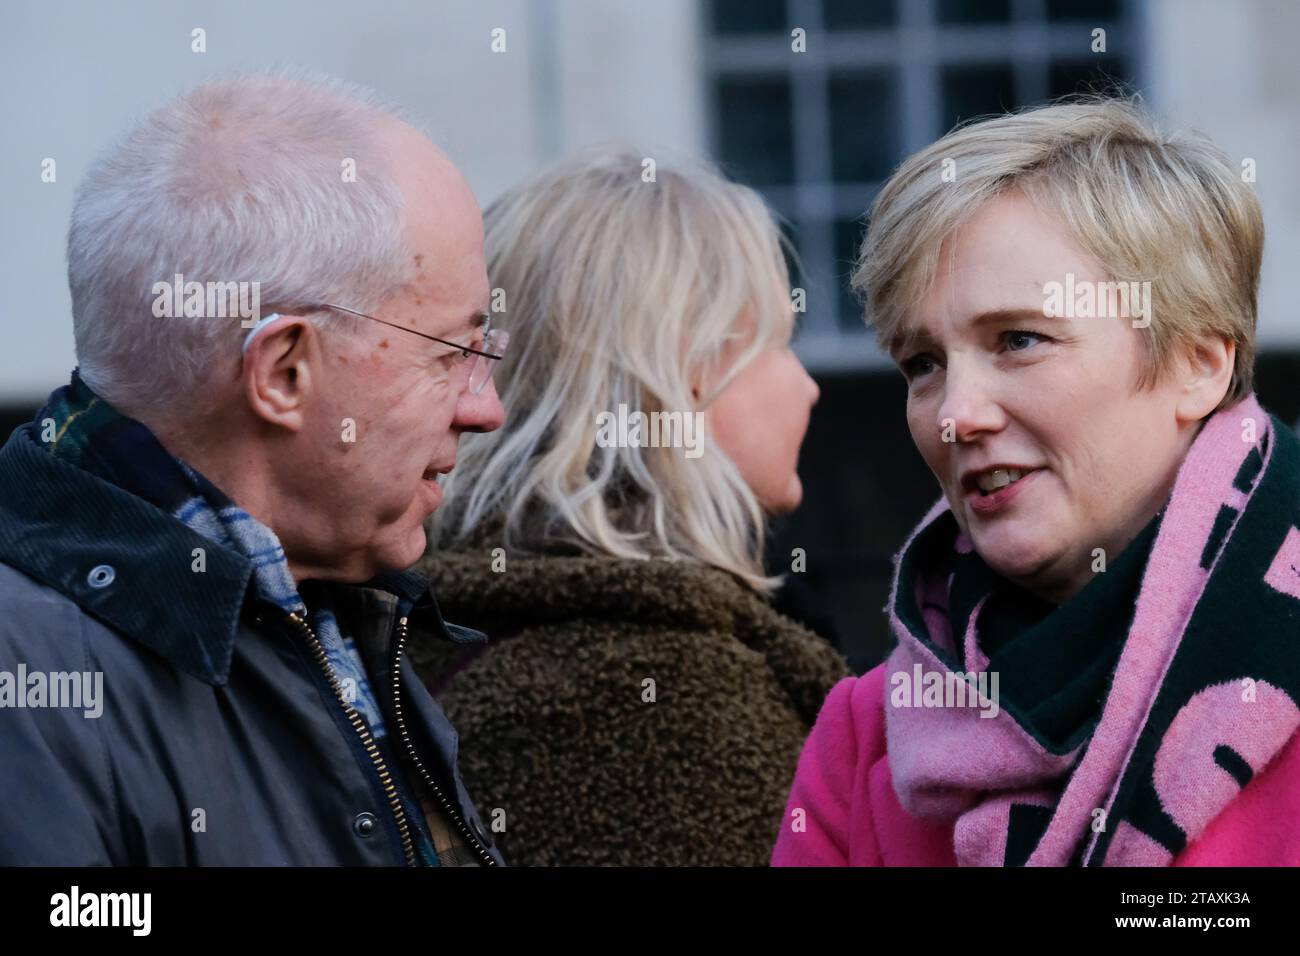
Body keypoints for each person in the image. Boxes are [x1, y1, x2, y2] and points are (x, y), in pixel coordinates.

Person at [0, 70, 509, 866]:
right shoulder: (33, 691)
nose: (486, 408)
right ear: (283, 373)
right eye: (450, 352)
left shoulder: (333, 613)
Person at [774, 98, 1300, 867]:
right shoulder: (863, 736)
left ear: (1198, 362)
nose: (956, 414)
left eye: (1019, 340)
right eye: (923, 364)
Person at [409, 145, 851, 866]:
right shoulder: (670, 710)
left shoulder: (440, 621)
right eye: (779, 341)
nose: (808, 386)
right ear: (684, 370)